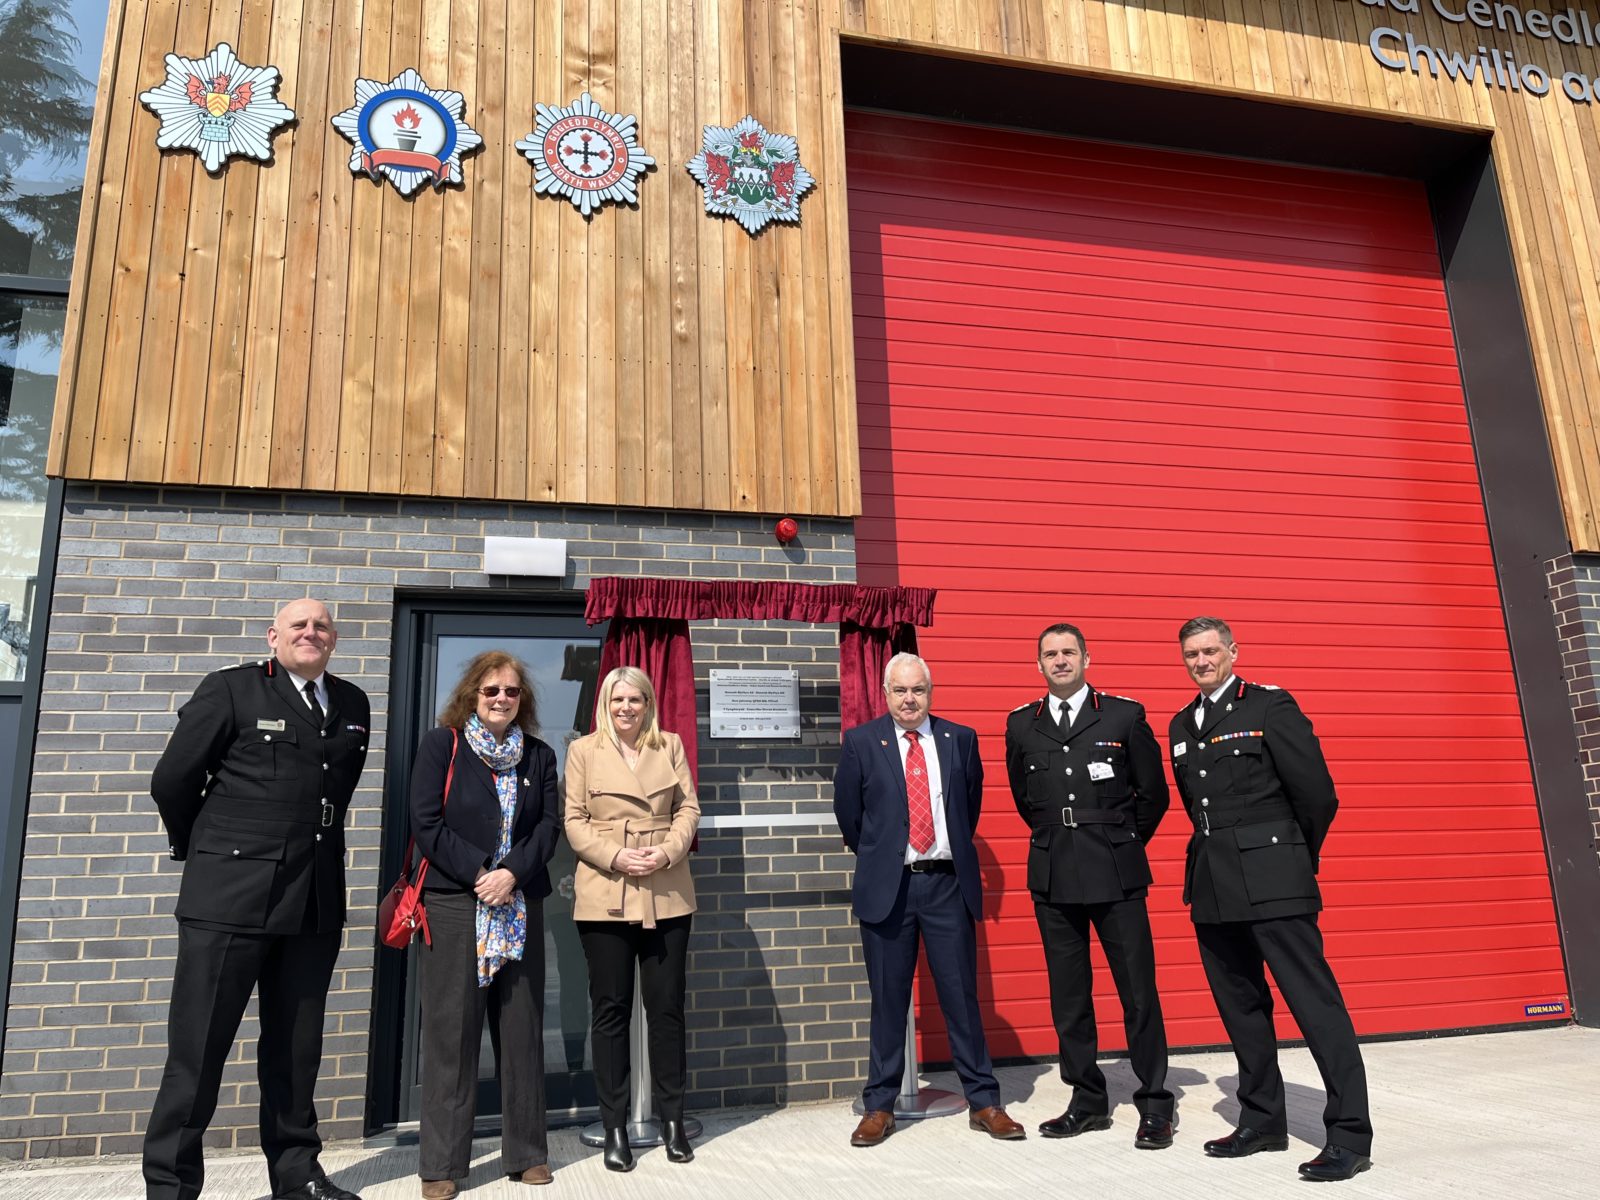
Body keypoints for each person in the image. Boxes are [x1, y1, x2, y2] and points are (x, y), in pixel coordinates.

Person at [144, 599, 369, 1200]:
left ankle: (297, 1176)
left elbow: (334, 797)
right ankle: (170, 1186)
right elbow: (171, 780)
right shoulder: (231, 690)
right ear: (274, 637)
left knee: (297, 1052)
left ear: (335, 639)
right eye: (298, 624)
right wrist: (211, 847)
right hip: (230, 901)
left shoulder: (352, 704)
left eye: (321, 626)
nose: (310, 632)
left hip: (314, 900)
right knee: (198, 1051)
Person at [1168, 616, 1372, 1182]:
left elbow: (1317, 796)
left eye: (1210, 651)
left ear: (1232, 651)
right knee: (1242, 1009)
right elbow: (1196, 805)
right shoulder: (1182, 723)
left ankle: (1350, 1135)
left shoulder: (1269, 706)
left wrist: (1289, 861)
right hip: (1213, 885)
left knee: (1316, 1006)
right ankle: (1262, 1121)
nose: (1202, 661)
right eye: (1192, 654)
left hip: (1276, 881)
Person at [833, 652, 1025, 1147]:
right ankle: (880, 1105)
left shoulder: (959, 739)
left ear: (930, 692)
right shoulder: (860, 743)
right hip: (889, 889)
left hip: (946, 885)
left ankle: (983, 1101)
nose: (909, 699)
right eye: (900, 690)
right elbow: (851, 818)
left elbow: (970, 805)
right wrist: (885, 857)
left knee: (962, 997)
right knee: (888, 1001)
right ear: (885, 692)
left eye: (918, 689)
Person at [1004, 623, 1175, 1148]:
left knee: (1138, 992)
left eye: (1068, 652)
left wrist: (1120, 841)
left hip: (1116, 871)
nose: (1060, 661)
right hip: (1054, 873)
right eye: (1050, 654)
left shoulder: (1123, 715)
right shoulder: (1020, 725)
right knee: (1070, 996)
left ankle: (1153, 1104)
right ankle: (1087, 1100)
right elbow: (1024, 801)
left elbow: (1154, 796)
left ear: (1086, 658)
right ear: (1039, 664)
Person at [408, 651, 562, 1198]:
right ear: (472, 694)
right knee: (453, 1032)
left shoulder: (539, 756)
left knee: (521, 1029)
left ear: (523, 700)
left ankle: (527, 1153)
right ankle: (443, 1165)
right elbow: (425, 821)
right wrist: (480, 874)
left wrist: (511, 875)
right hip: (455, 902)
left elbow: (548, 827)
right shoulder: (441, 746)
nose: (501, 699)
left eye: (512, 692)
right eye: (491, 690)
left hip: (518, 901)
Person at [563, 667, 701, 1172]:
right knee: (611, 1011)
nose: (626, 707)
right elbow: (573, 820)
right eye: (618, 699)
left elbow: (688, 809)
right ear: (606, 702)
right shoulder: (583, 751)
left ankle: (672, 1120)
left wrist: (665, 852)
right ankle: (614, 1124)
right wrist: (616, 856)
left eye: (635, 699)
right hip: (607, 888)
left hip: (665, 887)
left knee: (667, 1010)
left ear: (648, 703)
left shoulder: (670, 746)